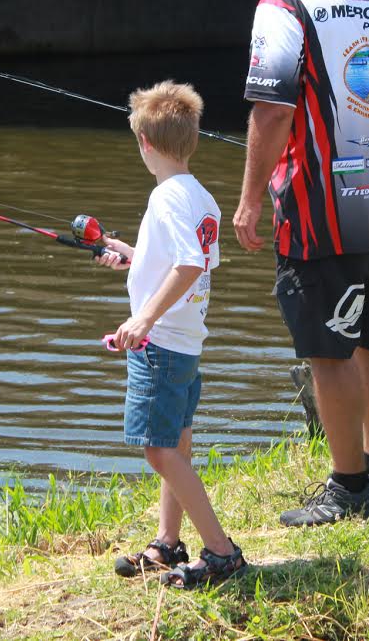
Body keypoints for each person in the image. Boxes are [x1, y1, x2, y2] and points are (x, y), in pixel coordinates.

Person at [233, 0, 369, 526]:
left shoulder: (283, 1)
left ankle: (346, 489)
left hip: (317, 206)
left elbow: (274, 108)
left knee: (327, 350)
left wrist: (251, 198)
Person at [96, 80, 246, 587]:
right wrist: (133, 259)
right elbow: (193, 265)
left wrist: (143, 319)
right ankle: (167, 542)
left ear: (145, 144)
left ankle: (222, 553)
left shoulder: (164, 199)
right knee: (175, 446)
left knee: (157, 450)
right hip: (185, 343)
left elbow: (186, 264)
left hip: (160, 344)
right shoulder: (201, 198)